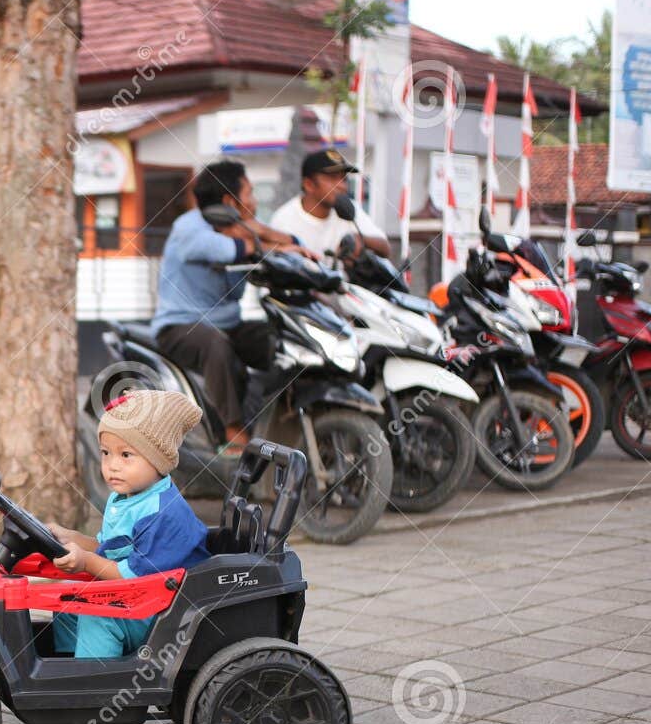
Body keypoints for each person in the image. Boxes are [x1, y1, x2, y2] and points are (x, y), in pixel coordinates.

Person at [151, 160, 308, 454]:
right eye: (249, 192)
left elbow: (294, 245)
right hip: (180, 327)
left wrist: (266, 234)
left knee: (283, 341)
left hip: (228, 323)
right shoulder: (189, 227)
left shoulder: (240, 228)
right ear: (228, 201)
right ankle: (233, 432)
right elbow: (234, 249)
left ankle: (282, 415)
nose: (255, 199)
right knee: (216, 345)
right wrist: (263, 239)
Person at [45, 390, 211, 659]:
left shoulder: (160, 512)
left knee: (97, 616)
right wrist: (71, 538)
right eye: (105, 453)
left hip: (163, 612)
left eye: (126, 455)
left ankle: (94, 687)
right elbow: (110, 549)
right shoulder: (125, 497)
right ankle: (66, 671)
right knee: (68, 603)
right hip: (142, 595)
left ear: (158, 458)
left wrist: (85, 561)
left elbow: (133, 575)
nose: (112, 466)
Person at [270, 148, 391, 261]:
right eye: (332, 178)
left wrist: (359, 238)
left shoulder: (349, 209)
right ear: (309, 184)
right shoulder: (284, 220)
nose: (342, 186)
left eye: (344, 179)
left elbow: (385, 249)